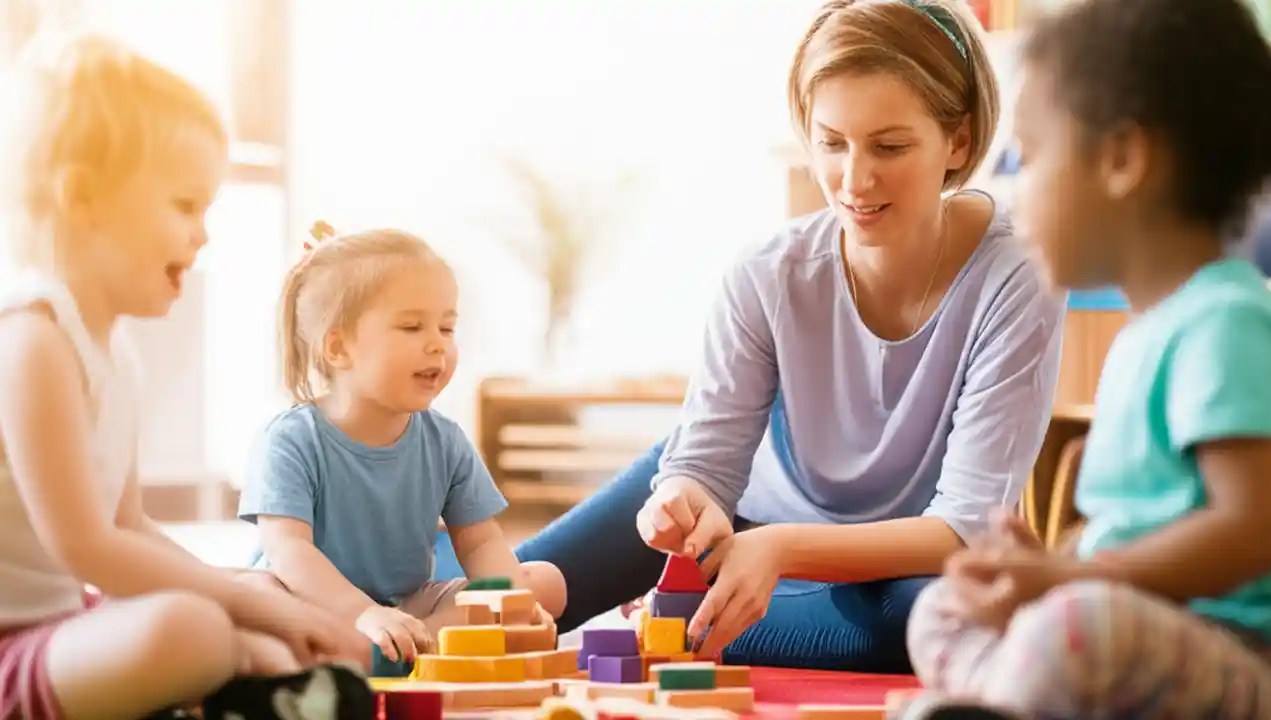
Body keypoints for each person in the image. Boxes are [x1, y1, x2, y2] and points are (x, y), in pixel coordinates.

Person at [511, 0, 1065, 671]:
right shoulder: (767, 273)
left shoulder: (1020, 275)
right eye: (832, 142)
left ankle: (662, 620)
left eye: (889, 146)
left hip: (893, 560)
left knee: (935, 619)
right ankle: (671, 609)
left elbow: (966, 526)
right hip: (746, 511)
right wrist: (682, 503)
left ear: (959, 139)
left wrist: (782, 550)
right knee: (506, 597)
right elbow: (704, 467)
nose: (854, 180)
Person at [903, 0, 1271, 716]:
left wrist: (1080, 579)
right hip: (1138, 632)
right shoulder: (1145, 333)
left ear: (1121, 160)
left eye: (1031, 156)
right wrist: (1050, 562)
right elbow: (1137, 522)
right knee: (945, 606)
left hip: (1242, 651)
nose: (1015, 188)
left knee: (1077, 627)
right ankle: (1003, 701)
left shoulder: (1224, 321)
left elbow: (1258, 525)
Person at [0, 32, 370, 720]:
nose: (202, 234)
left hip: (61, 625)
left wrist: (256, 600)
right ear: (82, 197)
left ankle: (258, 691)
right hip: (11, 646)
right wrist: (236, 603)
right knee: (196, 627)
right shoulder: (32, 337)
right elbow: (84, 544)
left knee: (261, 602)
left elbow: (128, 525)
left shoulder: (113, 354)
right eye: (183, 206)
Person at [238, 226, 567, 665]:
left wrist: (514, 608)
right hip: (311, 602)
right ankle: (385, 649)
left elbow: (480, 543)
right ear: (338, 348)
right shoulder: (290, 440)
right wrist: (363, 614)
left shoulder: (445, 439)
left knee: (543, 582)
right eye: (412, 327)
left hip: (407, 607)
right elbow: (289, 553)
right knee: (253, 594)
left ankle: (398, 650)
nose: (437, 344)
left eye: (447, 328)